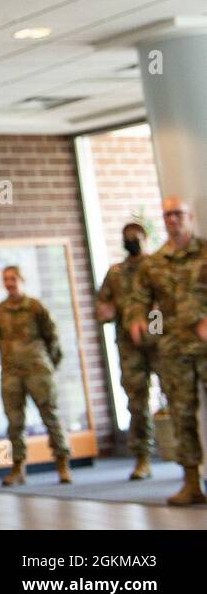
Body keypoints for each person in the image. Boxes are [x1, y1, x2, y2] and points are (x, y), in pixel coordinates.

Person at [128, 197, 207, 506]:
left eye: (178, 214)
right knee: (181, 413)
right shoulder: (155, 262)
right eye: (167, 215)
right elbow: (140, 299)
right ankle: (191, 482)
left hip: (205, 344)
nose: (173, 220)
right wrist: (138, 319)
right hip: (174, 349)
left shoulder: (204, 253)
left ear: (190, 217)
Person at [0, 266, 71, 486]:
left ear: (22, 280)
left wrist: (50, 365)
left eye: (13, 278)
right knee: (14, 422)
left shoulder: (35, 307)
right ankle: (18, 467)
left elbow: (52, 337)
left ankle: (63, 463)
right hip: (11, 372)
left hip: (37, 369)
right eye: (6, 279)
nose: (10, 283)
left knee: (50, 416)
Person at [96, 221, 156, 480]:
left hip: (162, 342)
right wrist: (105, 312)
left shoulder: (157, 267)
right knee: (136, 401)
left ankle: (189, 460)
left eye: (134, 236)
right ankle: (143, 458)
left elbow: (171, 302)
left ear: (144, 237)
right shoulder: (116, 273)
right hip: (128, 346)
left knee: (179, 397)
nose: (130, 240)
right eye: (126, 237)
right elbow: (103, 306)